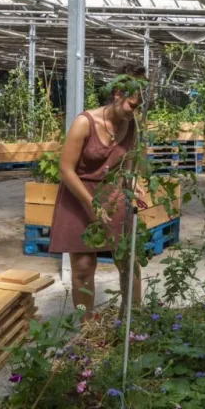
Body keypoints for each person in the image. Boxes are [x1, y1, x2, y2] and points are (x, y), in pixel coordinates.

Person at [48, 65, 149, 314]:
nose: (134, 111)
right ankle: (87, 331)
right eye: (132, 105)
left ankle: (132, 322)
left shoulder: (132, 124)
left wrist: (133, 182)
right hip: (78, 195)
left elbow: (129, 165)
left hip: (113, 196)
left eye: (138, 107)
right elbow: (66, 170)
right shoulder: (85, 122)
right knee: (83, 267)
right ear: (117, 93)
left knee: (128, 261)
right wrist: (90, 203)